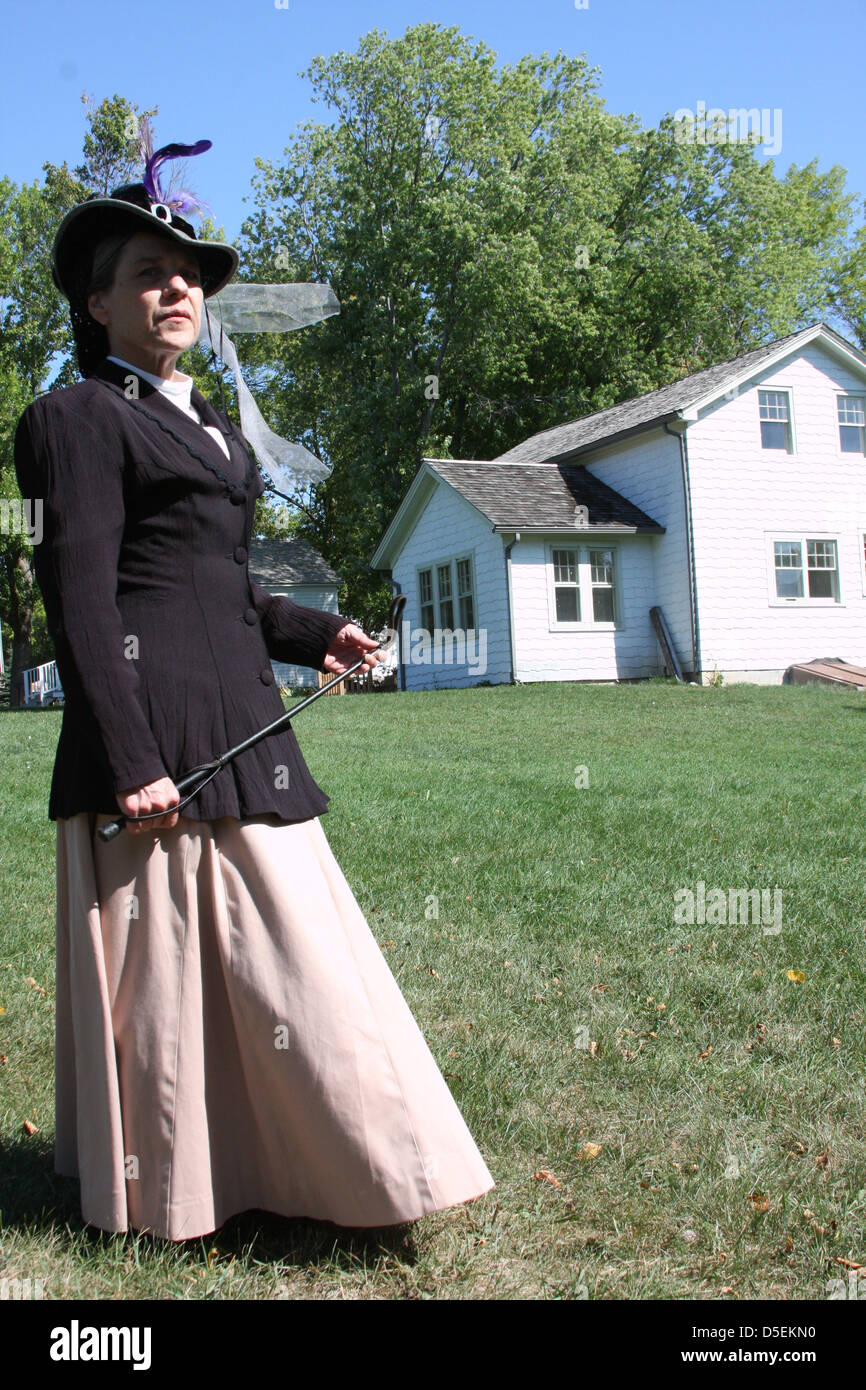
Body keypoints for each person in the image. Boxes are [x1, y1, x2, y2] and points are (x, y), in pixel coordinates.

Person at [13, 144, 495, 1242]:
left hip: (243, 721)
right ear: (98, 303)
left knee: (287, 961)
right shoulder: (74, 420)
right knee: (208, 974)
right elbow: (82, 599)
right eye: (147, 269)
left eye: (187, 272)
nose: (175, 285)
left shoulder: (218, 436)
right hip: (157, 743)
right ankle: (197, 1184)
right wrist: (131, 758)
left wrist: (319, 631)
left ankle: (319, 1172)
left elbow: (221, 587)